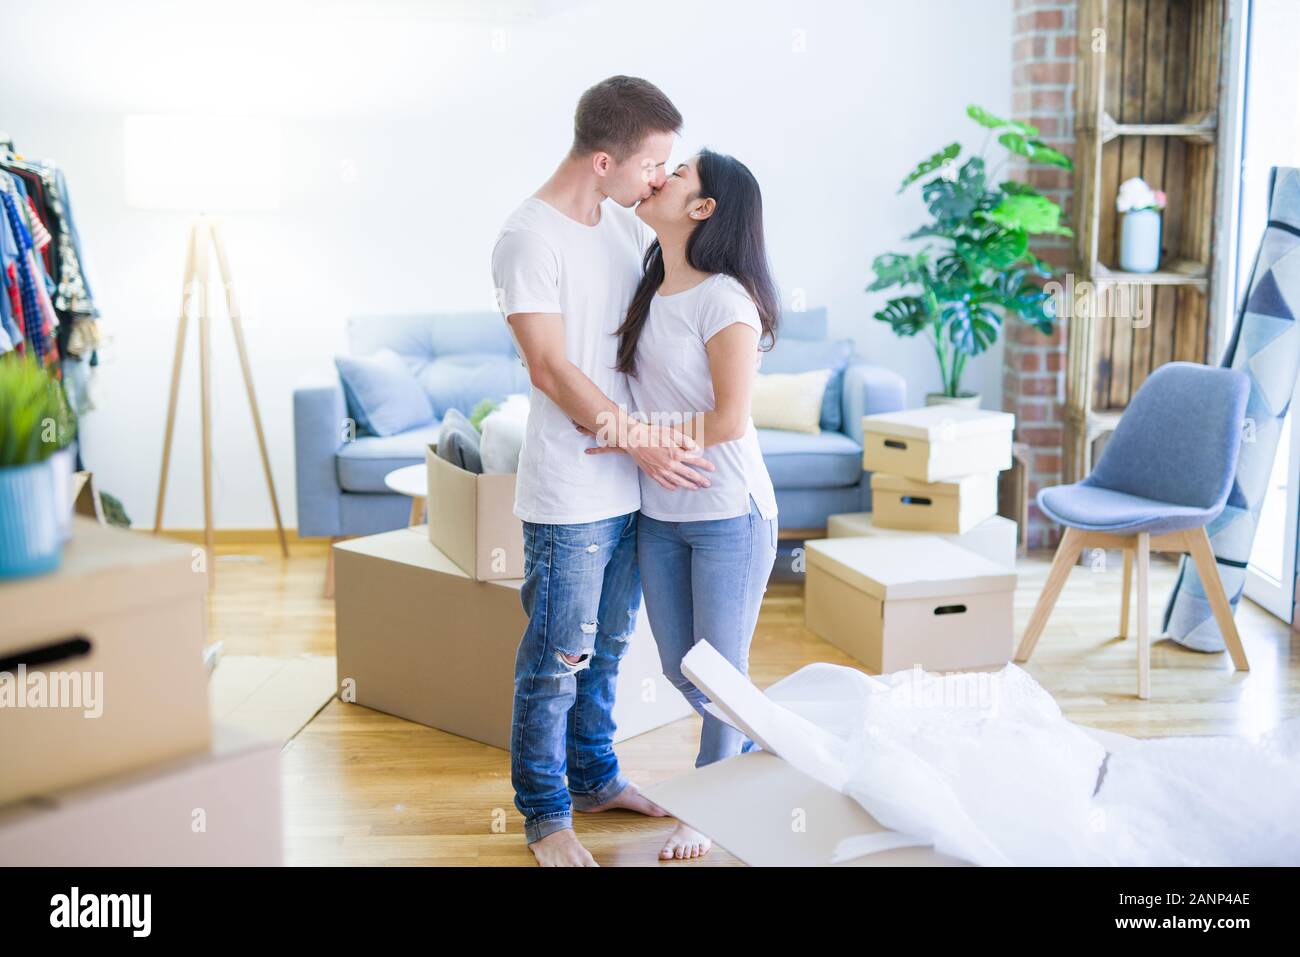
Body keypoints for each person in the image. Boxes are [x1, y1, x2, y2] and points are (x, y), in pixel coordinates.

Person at [490, 76, 714, 867]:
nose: (660, 179)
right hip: (572, 490)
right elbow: (550, 367)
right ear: (605, 158)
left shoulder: (621, 231)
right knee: (557, 658)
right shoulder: (529, 238)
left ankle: (593, 777)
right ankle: (547, 814)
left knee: (610, 648)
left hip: (631, 487)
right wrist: (640, 438)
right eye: (654, 165)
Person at [596, 148, 781, 861]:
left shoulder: (724, 297)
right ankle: (769, 737)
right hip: (662, 512)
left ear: (702, 208)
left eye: (679, 175)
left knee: (720, 670)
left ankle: (710, 806)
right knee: (685, 669)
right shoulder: (653, 285)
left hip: (730, 511)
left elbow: (730, 419)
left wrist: (632, 435)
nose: (661, 177)